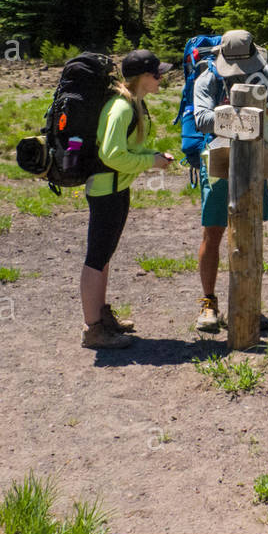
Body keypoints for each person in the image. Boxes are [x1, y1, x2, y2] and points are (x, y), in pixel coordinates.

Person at [80, 49, 174, 350]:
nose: (161, 78)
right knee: (96, 258)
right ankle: (93, 330)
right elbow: (112, 154)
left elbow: (125, 152)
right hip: (106, 190)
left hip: (116, 188)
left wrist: (153, 156)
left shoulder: (132, 103)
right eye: (157, 73)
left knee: (104, 255)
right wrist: (150, 162)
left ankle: (101, 317)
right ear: (144, 76)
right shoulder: (122, 107)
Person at [190, 30, 268, 332]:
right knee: (213, 233)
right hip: (218, 159)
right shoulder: (207, 79)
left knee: (251, 227)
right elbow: (201, 119)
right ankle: (208, 303)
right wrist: (244, 118)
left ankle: (247, 302)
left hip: (254, 160)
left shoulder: (265, 74)